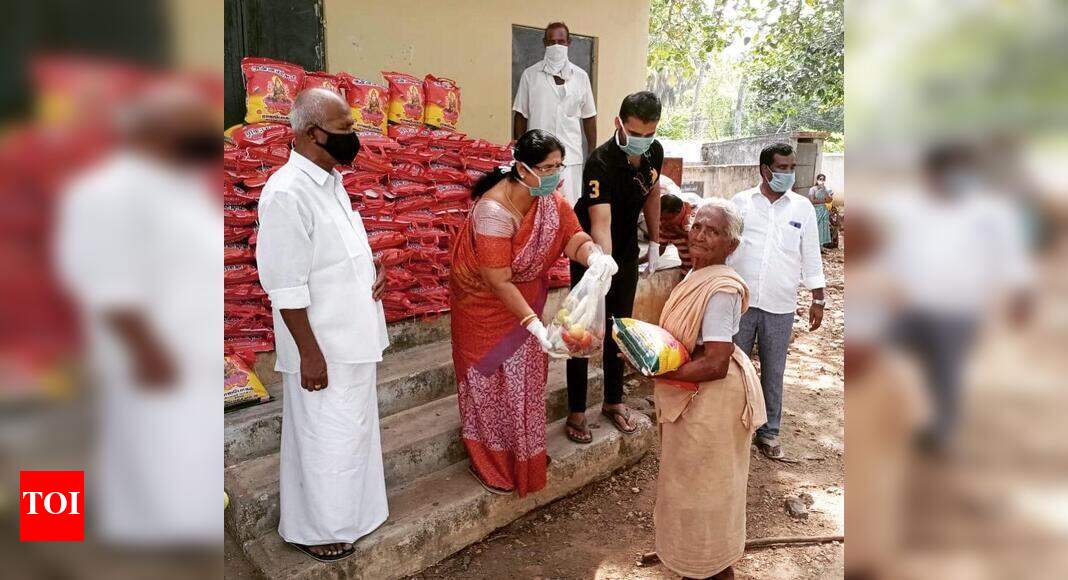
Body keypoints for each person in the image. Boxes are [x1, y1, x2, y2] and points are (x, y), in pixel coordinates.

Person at [55, 82, 222, 546]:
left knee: (170, 461)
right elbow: (106, 282)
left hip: (187, 350)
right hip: (147, 354)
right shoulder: (106, 193)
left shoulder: (178, 189)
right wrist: (146, 350)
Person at [255, 88, 389, 561]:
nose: (355, 137)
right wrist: (309, 354)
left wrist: (373, 273)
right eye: (346, 129)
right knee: (323, 440)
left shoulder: (331, 181)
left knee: (352, 434)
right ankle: (318, 529)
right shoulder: (286, 194)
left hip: (352, 336)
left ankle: (356, 515)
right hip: (322, 346)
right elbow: (285, 286)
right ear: (314, 133)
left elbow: (336, 256)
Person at [449, 130, 616, 495]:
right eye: (547, 167)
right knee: (489, 384)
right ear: (522, 168)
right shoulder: (493, 211)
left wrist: (595, 258)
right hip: (485, 308)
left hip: (525, 300)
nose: (555, 174)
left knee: (525, 384)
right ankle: (490, 462)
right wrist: (534, 326)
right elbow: (499, 280)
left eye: (559, 166)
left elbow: (572, 236)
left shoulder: (551, 201)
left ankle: (526, 453)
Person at [654, 200, 767, 580]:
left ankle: (712, 569)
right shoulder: (693, 275)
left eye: (713, 231)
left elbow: (716, 363)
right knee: (687, 490)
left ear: (731, 245)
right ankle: (693, 568)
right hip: (694, 393)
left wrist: (659, 373)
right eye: (698, 226)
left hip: (711, 401)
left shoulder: (720, 288)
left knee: (706, 496)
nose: (701, 235)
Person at [566, 91, 664, 443]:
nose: (642, 140)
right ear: (618, 124)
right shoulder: (600, 163)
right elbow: (600, 223)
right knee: (581, 328)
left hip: (625, 247)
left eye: (649, 132)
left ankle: (613, 401)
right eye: (635, 132)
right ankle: (577, 410)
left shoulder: (654, 152)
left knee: (619, 327)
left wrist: (654, 240)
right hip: (592, 251)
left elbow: (652, 194)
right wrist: (601, 267)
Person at [728, 143, 826, 460]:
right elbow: (725, 247)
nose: (787, 174)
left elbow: (811, 254)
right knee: (735, 367)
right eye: (781, 168)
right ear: (764, 169)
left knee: (773, 370)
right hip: (740, 302)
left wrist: (818, 297)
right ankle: (734, 425)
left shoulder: (802, 208)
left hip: (780, 304)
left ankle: (768, 431)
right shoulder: (741, 203)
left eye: (790, 168)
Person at [512, 21, 597, 206]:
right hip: (537, 159)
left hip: (571, 157)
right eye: (551, 42)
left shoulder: (581, 77)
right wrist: (519, 150)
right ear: (544, 43)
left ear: (569, 42)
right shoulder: (530, 75)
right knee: (537, 206)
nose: (556, 46)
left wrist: (592, 152)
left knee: (569, 206)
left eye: (561, 41)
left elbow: (589, 116)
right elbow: (520, 115)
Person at [658, 193, 696, 269]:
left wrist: (680, 232)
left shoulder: (694, 221)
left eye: (668, 219)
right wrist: (637, 261)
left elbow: (698, 242)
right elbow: (659, 251)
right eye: (661, 218)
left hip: (700, 271)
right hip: (686, 270)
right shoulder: (666, 226)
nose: (663, 222)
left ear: (678, 213)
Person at [807, 173, 834, 248]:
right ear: (817, 180)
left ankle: (821, 247)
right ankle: (813, 246)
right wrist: (823, 200)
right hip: (816, 210)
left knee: (823, 227)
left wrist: (824, 191)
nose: (822, 181)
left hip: (824, 211)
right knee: (816, 227)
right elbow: (812, 200)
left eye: (823, 179)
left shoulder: (826, 189)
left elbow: (829, 200)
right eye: (820, 179)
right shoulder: (813, 189)